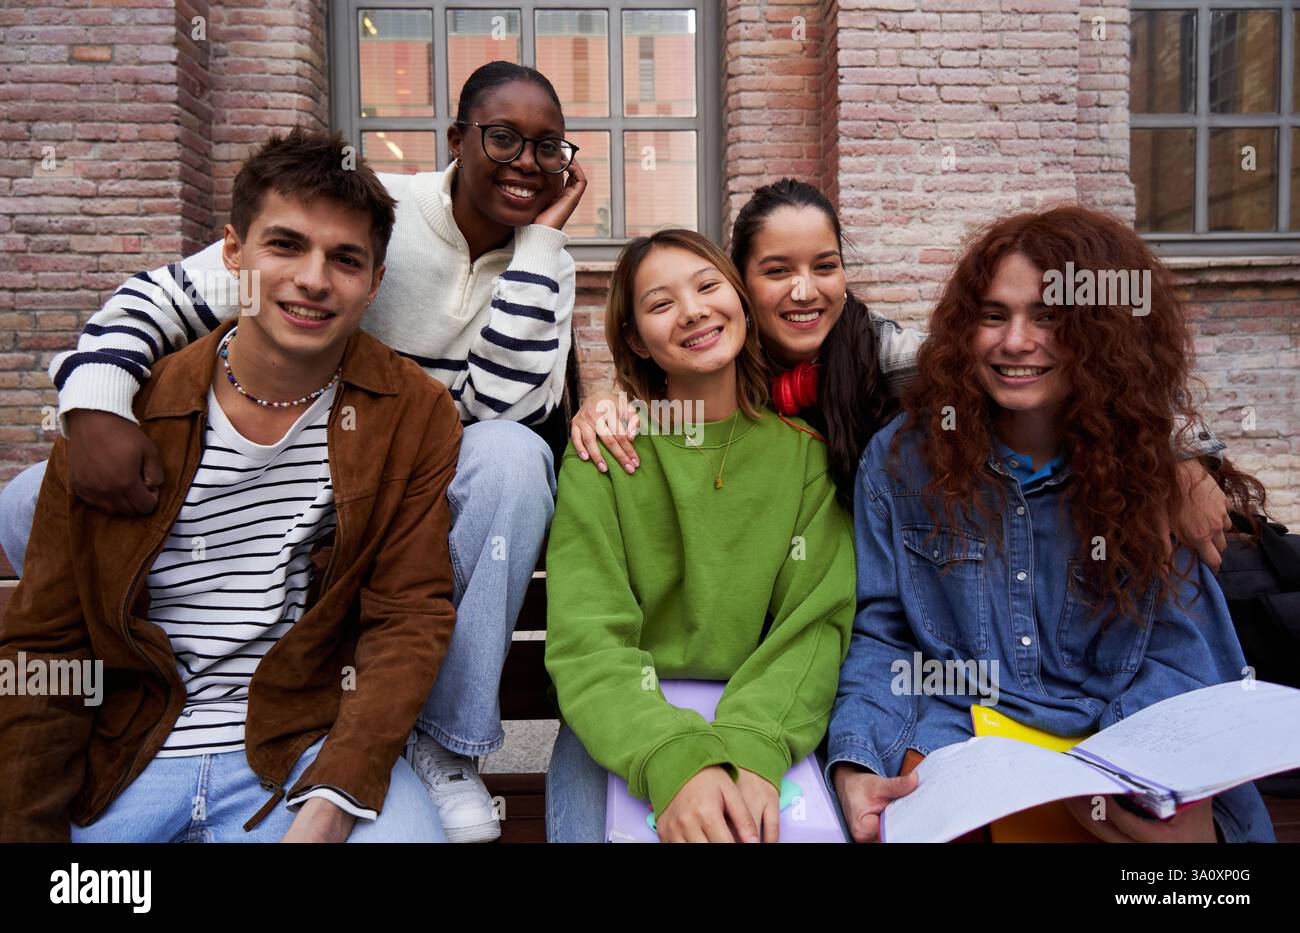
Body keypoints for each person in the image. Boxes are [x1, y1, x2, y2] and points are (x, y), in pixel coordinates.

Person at [0, 61, 586, 842]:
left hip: (398, 490)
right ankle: (146, 665)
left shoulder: (547, 270)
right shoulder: (371, 214)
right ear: (456, 139)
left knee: (511, 457)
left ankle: (442, 743)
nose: (525, 161)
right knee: (30, 499)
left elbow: (502, 409)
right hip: (261, 518)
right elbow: (162, 298)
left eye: (549, 149)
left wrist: (540, 245)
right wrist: (100, 406)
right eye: (503, 137)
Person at [825, 205, 1275, 843]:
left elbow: (1186, 659)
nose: (1015, 341)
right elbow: (884, 636)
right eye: (993, 315)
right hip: (961, 742)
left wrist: (1176, 789)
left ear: (1102, 332)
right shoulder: (904, 462)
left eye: (1049, 317)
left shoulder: (1151, 472)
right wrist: (856, 759)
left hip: (1119, 748)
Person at [567, 179, 1236, 569]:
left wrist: (1182, 454)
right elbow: (652, 400)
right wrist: (604, 399)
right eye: (778, 271)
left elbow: (1060, 366)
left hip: (871, 593)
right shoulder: (713, 369)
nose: (806, 291)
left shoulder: (887, 355)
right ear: (739, 283)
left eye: (824, 266)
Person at [544, 229, 856, 843]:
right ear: (635, 336)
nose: (692, 311)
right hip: (623, 723)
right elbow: (588, 639)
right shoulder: (604, 454)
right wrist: (671, 756)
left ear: (739, 300)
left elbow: (813, 629)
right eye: (661, 304)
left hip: (767, 720)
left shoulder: (806, 461)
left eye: (709, 286)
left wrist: (754, 747)